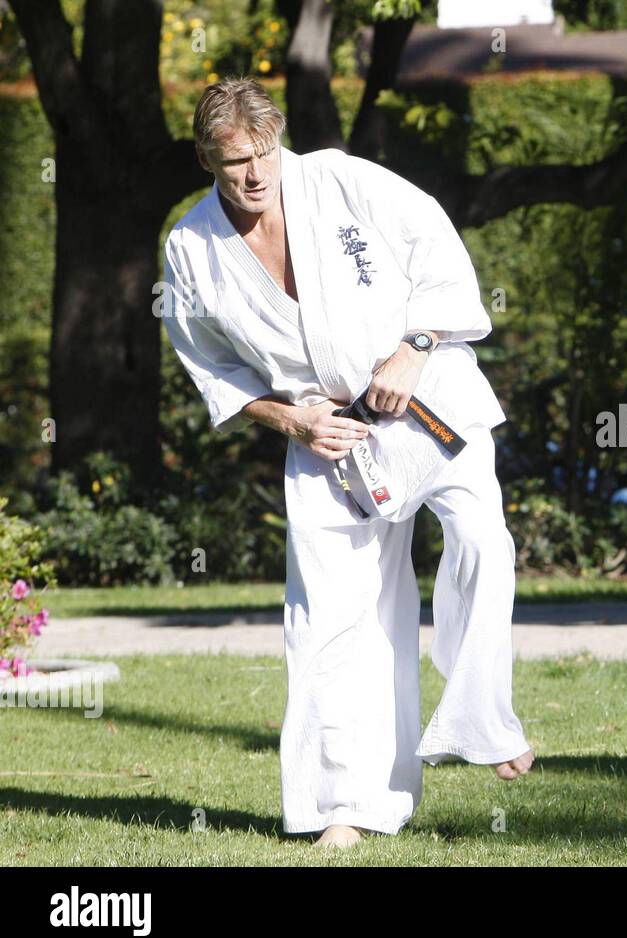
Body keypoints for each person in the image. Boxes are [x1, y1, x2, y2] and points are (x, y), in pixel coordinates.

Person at [161, 78, 533, 848]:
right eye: (235, 162)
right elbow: (212, 366)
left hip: (427, 396)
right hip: (324, 433)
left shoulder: (340, 179)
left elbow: (439, 254)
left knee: (481, 543)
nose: (256, 175)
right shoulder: (191, 247)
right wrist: (289, 418)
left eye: (264, 153)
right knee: (329, 619)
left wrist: (414, 348)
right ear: (205, 160)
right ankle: (345, 805)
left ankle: (482, 718)